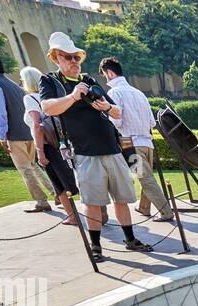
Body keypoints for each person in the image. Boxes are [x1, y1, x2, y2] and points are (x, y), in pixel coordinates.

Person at [39, 32, 151, 262]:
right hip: (86, 152)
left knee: (122, 198)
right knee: (92, 202)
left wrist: (106, 108)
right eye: (67, 57)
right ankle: (96, 245)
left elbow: (117, 111)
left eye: (76, 58)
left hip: (111, 148)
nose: (73, 62)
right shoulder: (50, 81)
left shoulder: (89, 80)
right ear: (56, 58)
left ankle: (130, 238)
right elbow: (48, 108)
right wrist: (73, 96)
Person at [0, 51, 53, 214]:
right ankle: (56, 193)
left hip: (14, 134)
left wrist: (2, 136)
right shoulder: (10, 83)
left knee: (25, 169)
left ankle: (41, 201)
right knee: (33, 165)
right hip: (27, 132)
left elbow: (0, 112)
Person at [99, 57, 172, 223]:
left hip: (129, 143)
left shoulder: (114, 93)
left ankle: (166, 212)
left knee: (145, 179)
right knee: (146, 177)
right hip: (147, 142)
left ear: (109, 73)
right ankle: (144, 207)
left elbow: (116, 121)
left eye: (104, 74)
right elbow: (152, 123)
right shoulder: (139, 93)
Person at [20, 66, 78, 226]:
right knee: (72, 175)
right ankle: (92, 212)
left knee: (59, 182)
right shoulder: (50, 97)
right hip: (61, 141)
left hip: (48, 144)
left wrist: (40, 152)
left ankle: (73, 216)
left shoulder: (30, 98)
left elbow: (37, 125)